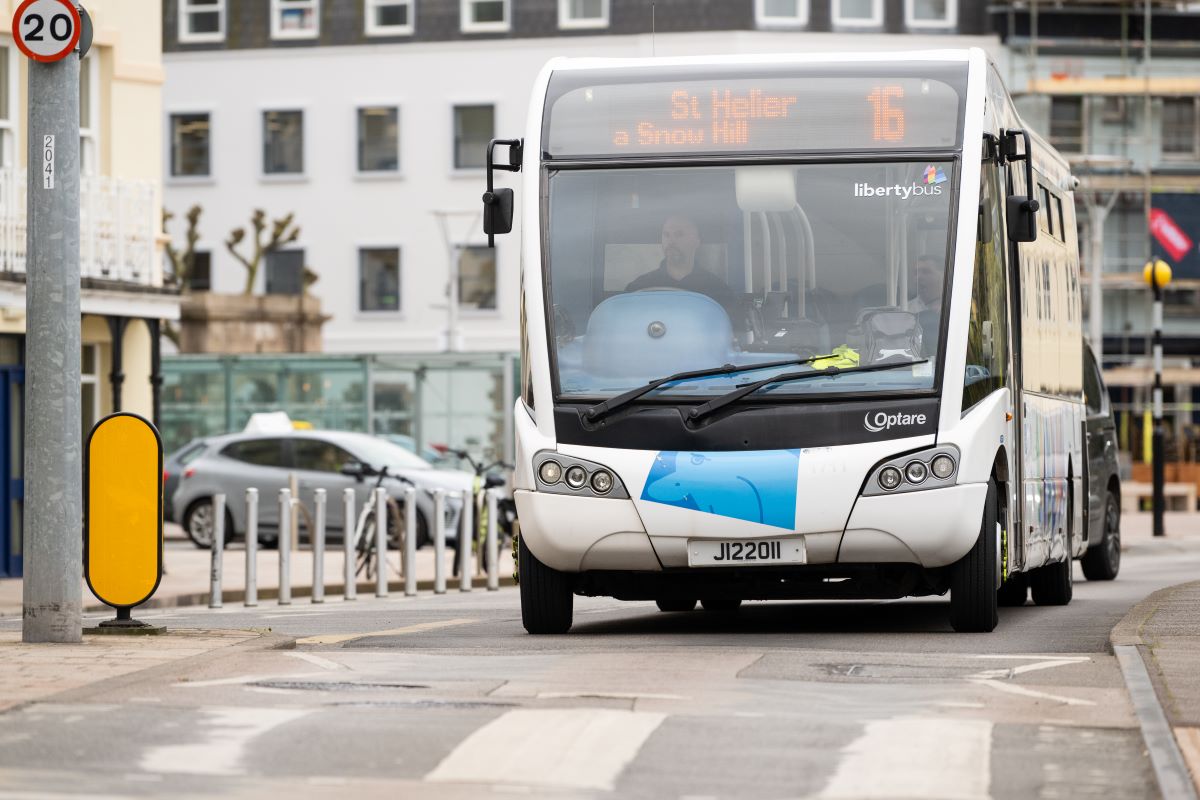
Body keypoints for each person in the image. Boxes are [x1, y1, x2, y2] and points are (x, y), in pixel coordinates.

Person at [626, 215, 734, 314]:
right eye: (666, 235)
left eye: (679, 234)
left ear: (697, 242)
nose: (671, 241)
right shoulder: (640, 287)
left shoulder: (718, 291)